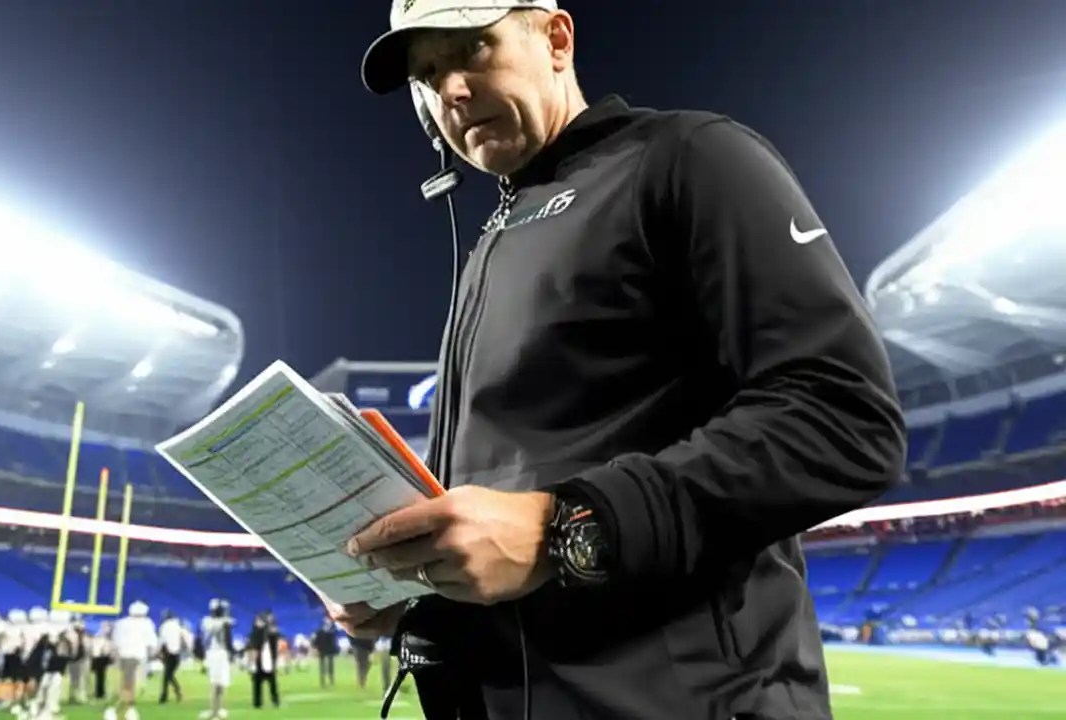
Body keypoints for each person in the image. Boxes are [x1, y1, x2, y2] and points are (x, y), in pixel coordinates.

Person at [340, 2, 907, 718]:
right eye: (427, 75)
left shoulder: (689, 157)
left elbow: (845, 419)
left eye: (472, 49)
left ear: (555, 38)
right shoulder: (490, 240)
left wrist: (564, 531)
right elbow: (508, 508)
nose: (449, 91)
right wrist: (419, 583)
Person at [107, 601, 158, 720]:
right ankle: (119, 711)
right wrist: (152, 655)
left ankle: (126, 710)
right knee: (130, 685)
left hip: (122, 656)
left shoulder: (121, 623)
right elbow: (152, 642)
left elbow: (115, 641)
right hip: (136, 657)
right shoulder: (146, 623)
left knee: (125, 684)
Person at [197, 599, 234, 720]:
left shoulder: (206, 621)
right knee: (218, 684)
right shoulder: (221, 622)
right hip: (219, 653)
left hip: (212, 654)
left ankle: (216, 710)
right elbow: (226, 627)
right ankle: (215, 711)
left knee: (217, 683)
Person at [246, 613, 280, 709]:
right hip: (263, 659)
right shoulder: (260, 633)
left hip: (263, 659)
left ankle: (259, 702)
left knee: (262, 682)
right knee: (267, 682)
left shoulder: (259, 632)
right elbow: (254, 648)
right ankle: (272, 700)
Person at [156, 610, 186, 703]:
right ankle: (176, 691)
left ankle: (165, 696)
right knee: (169, 675)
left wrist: (157, 652)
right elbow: (183, 638)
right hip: (176, 653)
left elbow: (161, 640)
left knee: (167, 675)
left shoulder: (164, 627)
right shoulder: (177, 626)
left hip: (168, 652)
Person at [312, 617, 338, 689]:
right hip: (324, 650)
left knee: (327, 665)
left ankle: (327, 680)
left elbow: (315, 642)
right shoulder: (327, 632)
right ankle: (326, 680)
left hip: (325, 650)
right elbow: (316, 642)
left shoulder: (326, 632)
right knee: (326, 666)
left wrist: (316, 647)